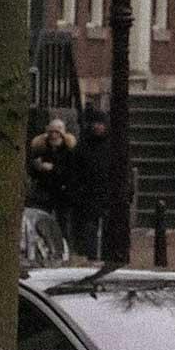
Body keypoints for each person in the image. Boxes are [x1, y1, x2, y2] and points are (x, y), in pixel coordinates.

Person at [69, 105, 110, 259]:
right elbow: (74, 170)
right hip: (87, 195)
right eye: (96, 123)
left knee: (106, 229)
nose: (98, 127)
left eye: (101, 124)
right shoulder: (83, 146)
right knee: (88, 229)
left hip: (106, 193)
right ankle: (89, 255)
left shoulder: (112, 146)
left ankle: (104, 255)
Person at [27, 118, 76, 211]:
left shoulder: (69, 151)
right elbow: (32, 171)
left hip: (63, 192)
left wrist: (53, 168)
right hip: (44, 191)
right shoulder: (40, 148)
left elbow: (72, 171)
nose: (54, 135)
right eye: (51, 132)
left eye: (57, 132)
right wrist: (37, 167)